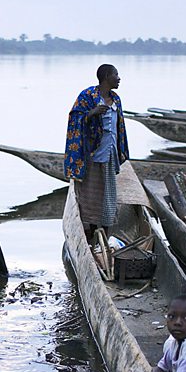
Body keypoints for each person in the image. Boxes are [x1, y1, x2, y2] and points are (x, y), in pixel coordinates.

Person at [65, 64, 129, 241]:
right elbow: (74, 120)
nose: (119, 78)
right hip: (92, 155)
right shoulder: (87, 96)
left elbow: (119, 126)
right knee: (90, 197)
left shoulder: (116, 99)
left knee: (108, 197)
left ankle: (104, 238)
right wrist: (91, 113)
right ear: (107, 76)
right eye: (116, 74)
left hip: (110, 154)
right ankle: (91, 234)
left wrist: (122, 150)